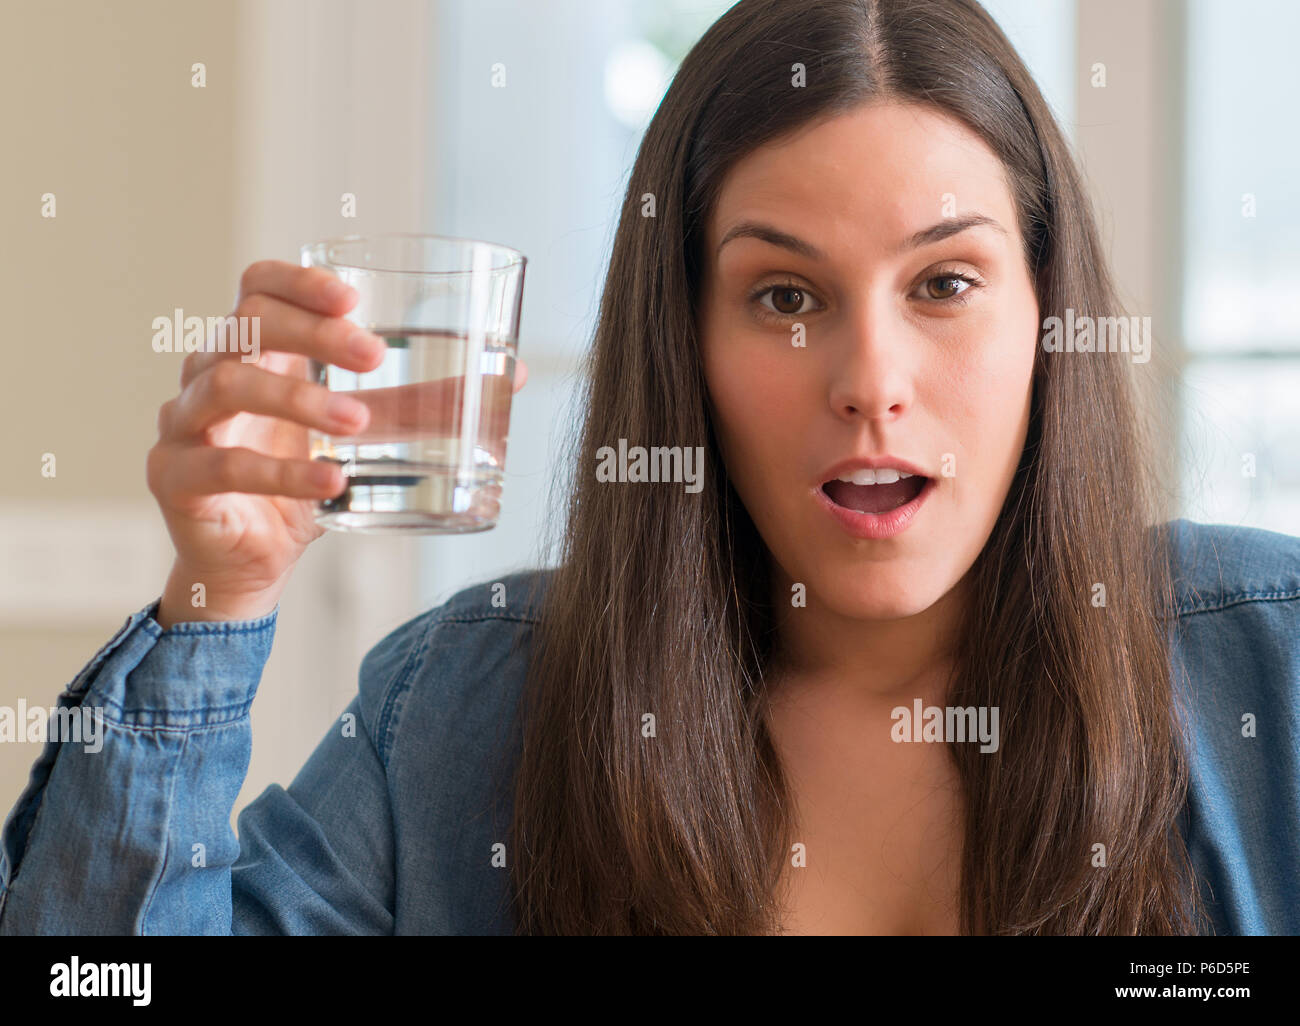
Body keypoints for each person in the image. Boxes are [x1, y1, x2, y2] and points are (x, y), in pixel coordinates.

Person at [2, 0, 1297, 936]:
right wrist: (214, 601)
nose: (870, 376)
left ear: (1049, 318)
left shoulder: (1270, 669)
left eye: (946, 281)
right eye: (785, 294)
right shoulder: (471, 707)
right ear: (683, 341)